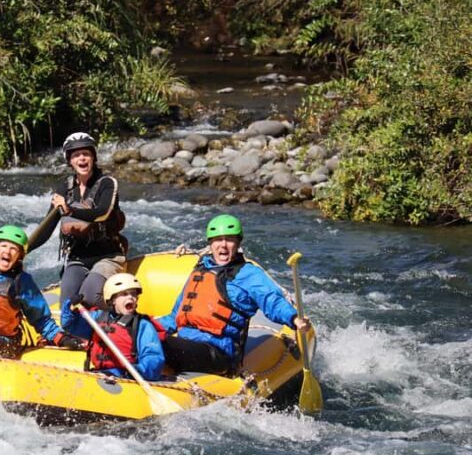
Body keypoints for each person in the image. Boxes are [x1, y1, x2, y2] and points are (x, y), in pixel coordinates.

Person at [158, 214, 311, 376]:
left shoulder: (248, 274)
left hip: (217, 351)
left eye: (229, 239)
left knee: (154, 344)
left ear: (238, 243)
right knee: (139, 335)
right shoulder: (199, 272)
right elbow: (174, 317)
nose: (223, 246)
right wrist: (144, 326)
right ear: (210, 244)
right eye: (218, 240)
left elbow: (271, 299)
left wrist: (294, 319)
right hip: (187, 344)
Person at [29, 132, 127, 311]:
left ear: (93, 157)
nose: (81, 158)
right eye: (76, 155)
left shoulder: (107, 183)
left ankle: (111, 329)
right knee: (67, 305)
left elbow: (102, 213)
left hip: (108, 256)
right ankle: (74, 337)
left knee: (90, 295)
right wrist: (23, 250)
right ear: (70, 161)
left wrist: (70, 210)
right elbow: (47, 227)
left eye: (86, 154)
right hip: (78, 258)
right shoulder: (64, 189)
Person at [0, 224, 84, 356]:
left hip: (2, 341)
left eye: (13, 249)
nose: (7, 252)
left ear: (19, 255)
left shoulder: (22, 282)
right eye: (3, 246)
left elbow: (41, 319)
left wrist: (61, 338)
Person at [62, 273, 165, 381]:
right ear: (112, 300)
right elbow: (70, 325)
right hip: (99, 374)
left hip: (126, 377)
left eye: (133, 294)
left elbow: (153, 357)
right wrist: (69, 310)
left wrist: (136, 371)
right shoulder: (98, 317)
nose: (130, 297)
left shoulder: (142, 325)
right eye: (124, 294)